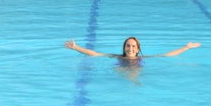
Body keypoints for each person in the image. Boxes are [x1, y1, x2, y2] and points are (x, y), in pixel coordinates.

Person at [63, 36, 200, 60]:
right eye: (128, 46)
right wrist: (76, 47)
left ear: (138, 49)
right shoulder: (117, 57)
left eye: (133, 46)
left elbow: (167, 55)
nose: (130, 48)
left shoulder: (142, 58)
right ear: (124, 48)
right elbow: (94, 54)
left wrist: (186, 47)